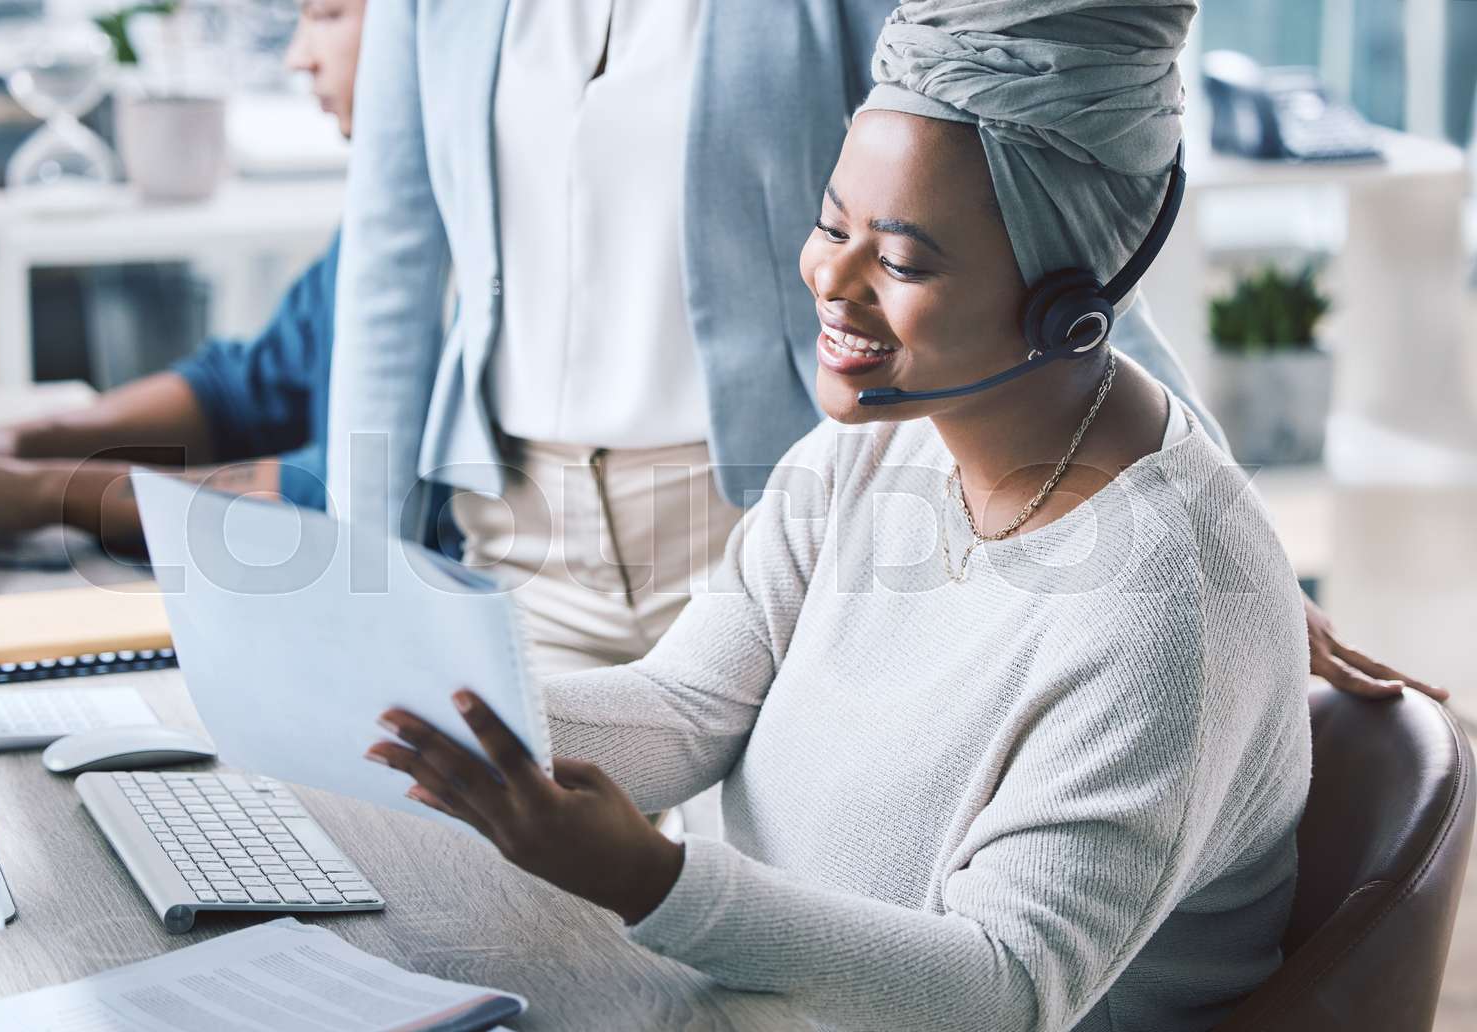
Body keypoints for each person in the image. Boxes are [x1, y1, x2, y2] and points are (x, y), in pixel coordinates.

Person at [364, 3, 1314, 1029]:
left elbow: (1007, 986)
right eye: (829, 224)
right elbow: (690, 707)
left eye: (901, 263)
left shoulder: (1166, 597)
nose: (827, 276)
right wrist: (421, 712)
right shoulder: (877, 446)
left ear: (1069, 304)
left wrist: (654, 882)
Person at [332, 0, 1444, 701]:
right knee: (513, 914)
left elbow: (1043, 250)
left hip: (769, 526)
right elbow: (386, 266)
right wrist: (354, 580)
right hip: (518, 526)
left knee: (728, 940)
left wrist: (1228, 535)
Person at [0, 0, 368, 551]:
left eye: (329, 16)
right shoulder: (382, 215)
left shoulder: (476, 248)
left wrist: (52, 493)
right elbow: (246, 391)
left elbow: (358, 493)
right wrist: (14, 442)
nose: (296, 58)